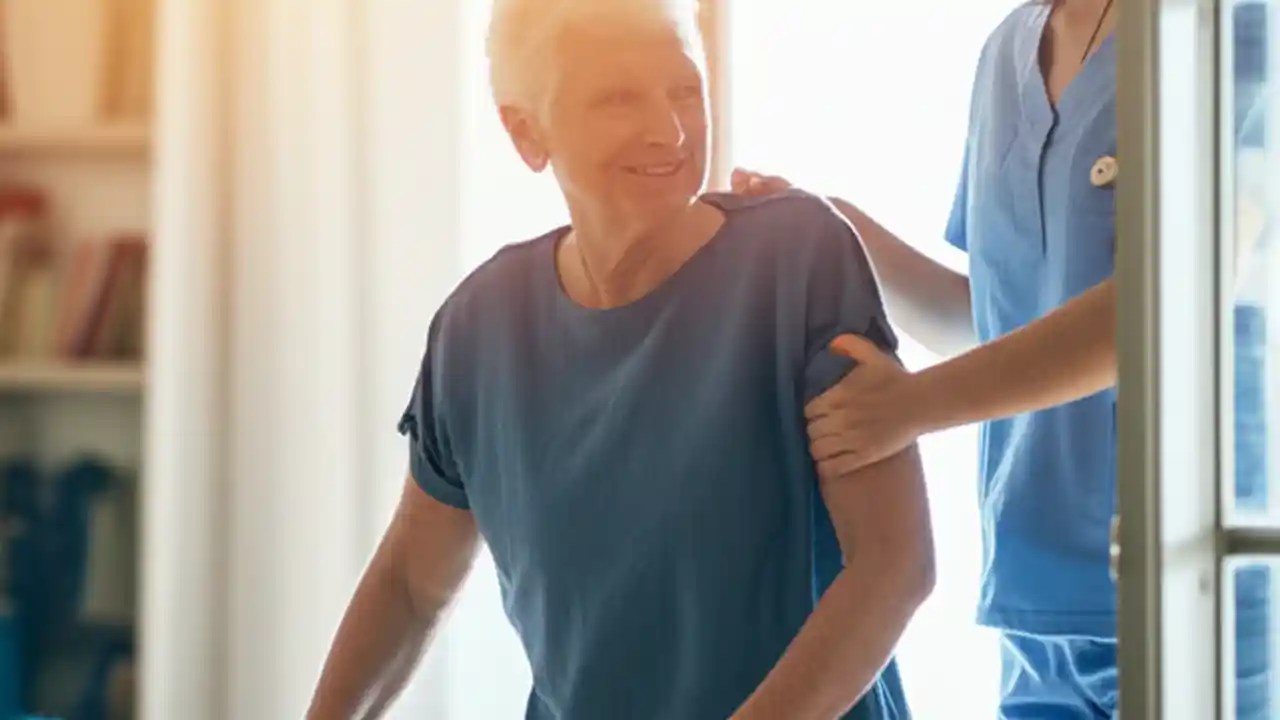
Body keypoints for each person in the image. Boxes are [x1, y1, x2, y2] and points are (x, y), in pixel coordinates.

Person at [306, 0, 934, 718]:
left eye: (684, 90)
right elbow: (412, 584)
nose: (668, 130)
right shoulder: (478, 327)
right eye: (617, 98)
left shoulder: (796, 259)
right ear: (525, 131)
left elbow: (894, 565)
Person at [736, 0, 1269, 717]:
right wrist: (832, 227)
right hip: (1038, 606)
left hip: (1200, 597)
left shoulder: (1234, 30)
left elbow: (1163, 310)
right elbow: (995, 322)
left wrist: (912, 406)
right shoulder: (1005, 56)